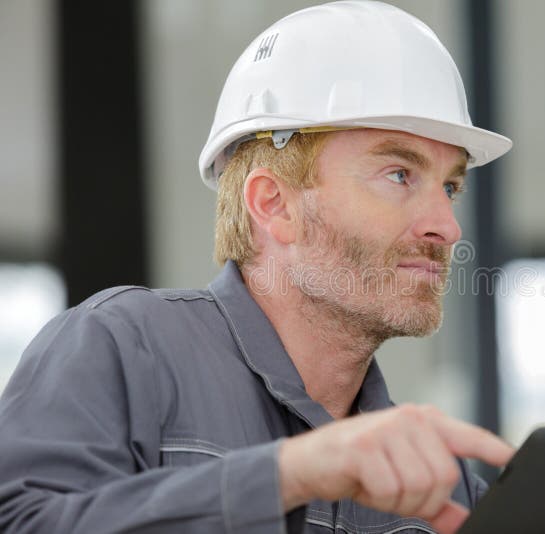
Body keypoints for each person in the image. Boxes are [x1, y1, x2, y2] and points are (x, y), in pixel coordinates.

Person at [0, 1, 514, 533]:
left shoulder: (434, 481)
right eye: (400, 174)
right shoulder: (125, 348)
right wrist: (290, 474)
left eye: (451, 186)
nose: (447, 226)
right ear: (273, 203)